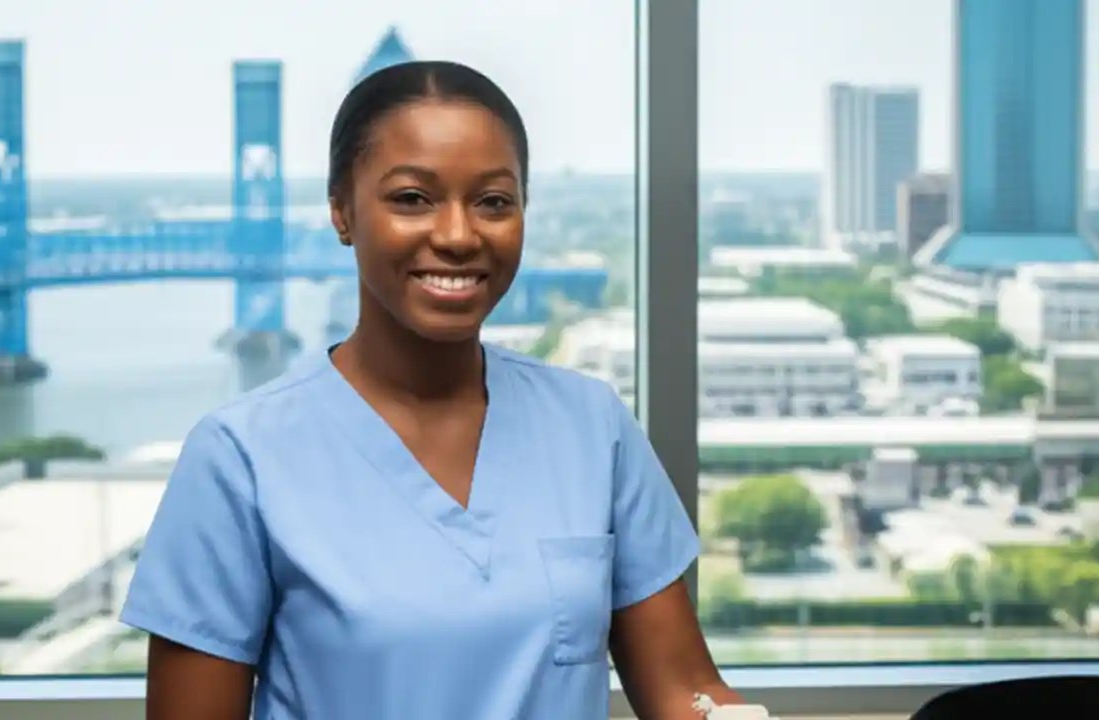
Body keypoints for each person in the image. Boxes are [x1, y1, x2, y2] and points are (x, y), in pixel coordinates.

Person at [120, 59, 743, 720]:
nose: (457, 235)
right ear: (341, 210)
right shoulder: (240, 457)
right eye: (412, 199)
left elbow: (685, 693)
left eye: (494, 201)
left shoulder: (593, 427)